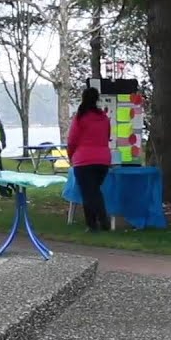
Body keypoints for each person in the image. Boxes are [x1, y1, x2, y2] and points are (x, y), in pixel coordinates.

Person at [66, 86, 112, 232]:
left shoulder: (80, 118)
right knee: (93, 191)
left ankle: (99, 221)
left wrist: (71, 156)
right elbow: (106, 137)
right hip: (103, 159)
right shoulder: (104, 118)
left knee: (89, 192)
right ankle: (94, 223)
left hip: (84, 160)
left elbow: (72, 140)